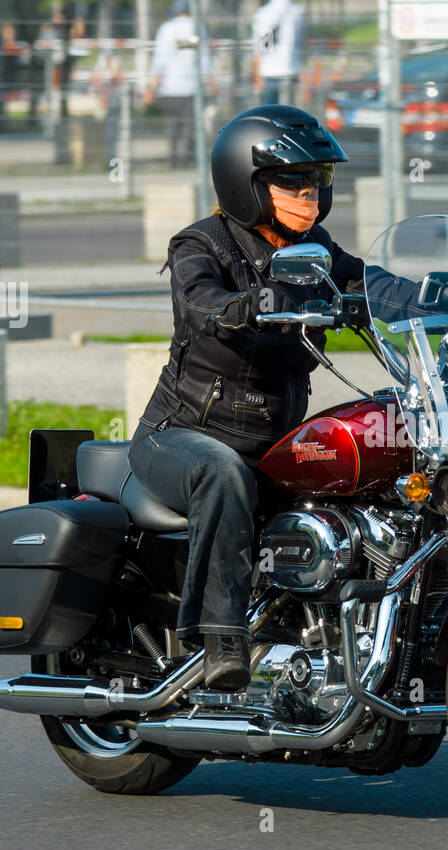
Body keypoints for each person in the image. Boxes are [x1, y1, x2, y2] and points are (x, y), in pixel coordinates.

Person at [127, 106, 362, 691]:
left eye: (317, 182)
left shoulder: (315, 250)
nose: (308, 194)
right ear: (245, 183)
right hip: (180, 439)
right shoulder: (200, 245)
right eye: (291, 182)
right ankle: (218, 635)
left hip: (272, 441)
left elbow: (369, 283)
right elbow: (200, 301)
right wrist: (245, 305)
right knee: (223, 474)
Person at [144, 0, 211, 168]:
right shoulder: (197, 28)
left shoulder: (166, 29)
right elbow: (204, 60)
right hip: (191, 87)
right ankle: (184, 159)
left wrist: (152, 87)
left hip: (171, 87)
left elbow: (159, 60)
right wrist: (210, 81)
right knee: (189, 126)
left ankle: (172, 159)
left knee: (173, 126)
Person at [252, 0, 305, 106]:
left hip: (270, 71)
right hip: (289, 70)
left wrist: (256, 73)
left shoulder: (265, 12)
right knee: (288, 114)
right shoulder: (296, 11)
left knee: (269, 113)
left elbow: (263, 46)